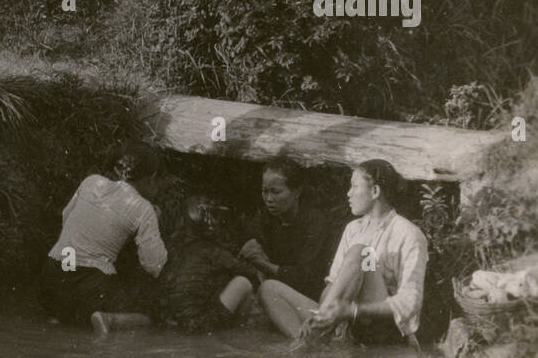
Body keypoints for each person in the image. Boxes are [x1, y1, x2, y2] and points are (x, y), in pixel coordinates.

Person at [258, 159, 428, 348]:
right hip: (343, 321)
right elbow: (332, 287)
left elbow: (409, 304)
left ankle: (310, 338)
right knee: (269, 289)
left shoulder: (408, 233)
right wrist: (329, 312)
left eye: (354, 187)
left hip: (383, 328)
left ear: (375, 192)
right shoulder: (353, 229)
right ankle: (308, 342)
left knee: (361, 253)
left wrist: (352, 310)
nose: (348, 194)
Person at [41, 143, 167, 333]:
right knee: (153, 313)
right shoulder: (143, 208)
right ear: (152, 179)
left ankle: (60, 318)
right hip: (90, 286)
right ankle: (110, 320)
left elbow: (66, 216)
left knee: (70, 307)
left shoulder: (91, 182)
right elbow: (154, 265)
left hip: (51, 279)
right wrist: (156, 223)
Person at [159, 196, 260, 335]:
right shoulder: (212, 251)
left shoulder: (173, 248)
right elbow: (251, 274)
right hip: (199, 325)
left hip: (173, 323)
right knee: (243, 283)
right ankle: (238, 333)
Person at [238, 157, 335, 301]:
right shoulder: (265, 216)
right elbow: (249, 248)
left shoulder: (315, 223)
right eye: (265, 191)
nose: (269, 199)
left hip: (305, 296)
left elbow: (305, 278)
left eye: (276, 192)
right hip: (271, 288)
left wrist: (263, 264)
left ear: (297, 192)